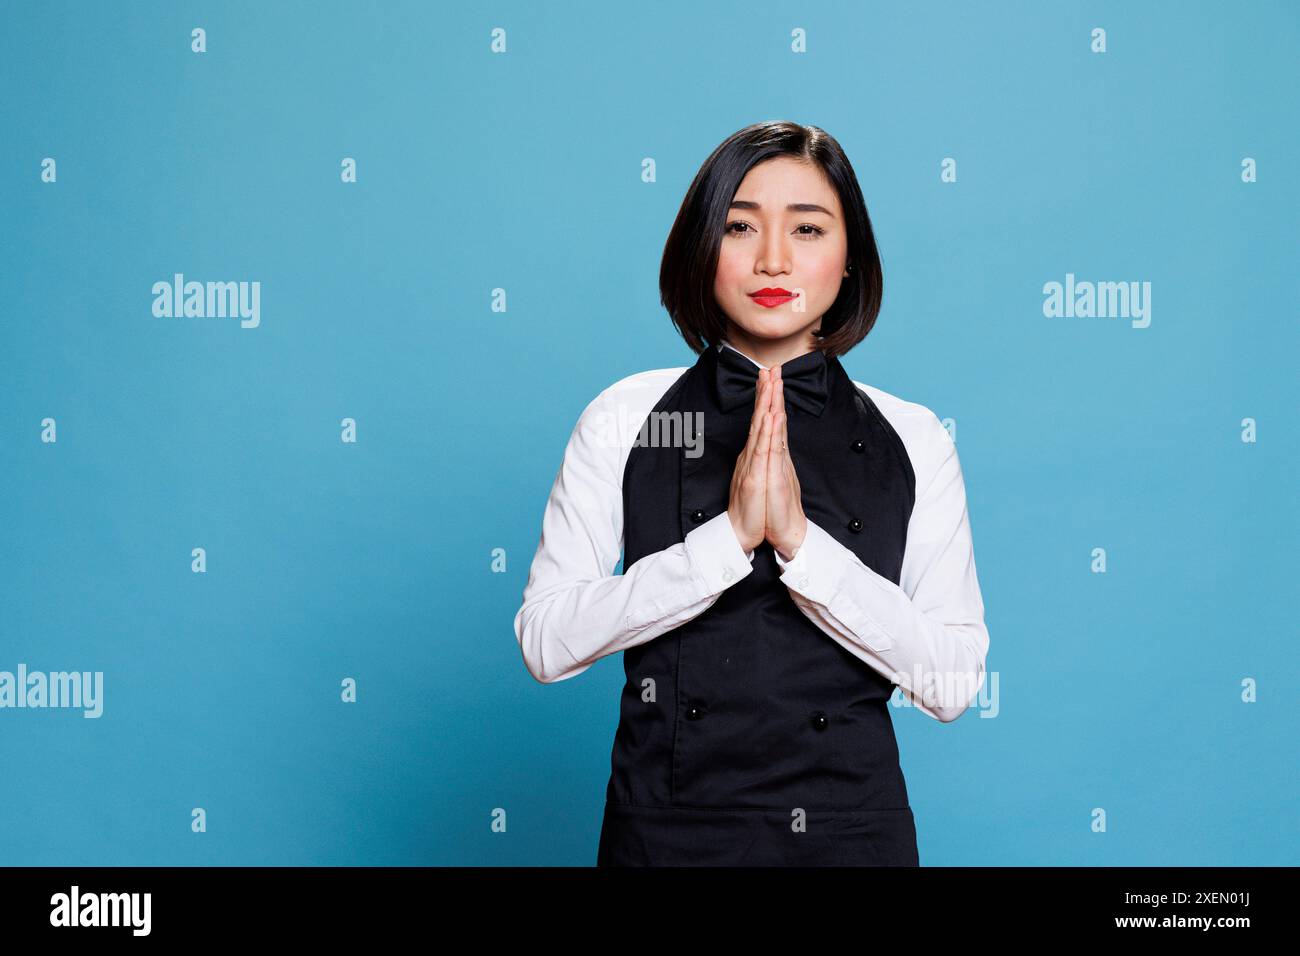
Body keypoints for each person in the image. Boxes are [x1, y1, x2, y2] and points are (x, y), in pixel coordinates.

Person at [513, 120, 990, 866]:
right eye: (740, 226)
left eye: (807, 228)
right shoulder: (624, 417)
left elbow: (954, 681)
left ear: (851, 260)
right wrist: (725, 542)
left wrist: (802, 546)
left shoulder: (915, 436)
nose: (773, 258)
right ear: (702, 247)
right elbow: (544, 642)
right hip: (665, 834)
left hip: (851, 837)